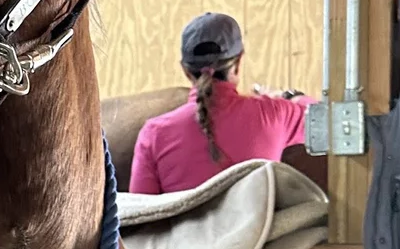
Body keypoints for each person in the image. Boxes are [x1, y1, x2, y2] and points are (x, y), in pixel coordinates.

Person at [128, 10, 310, 194]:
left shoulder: (154, 133)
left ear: (185, 70)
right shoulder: (275, 113)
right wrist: (290, 96)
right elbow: (326, 119)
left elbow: (142, 212)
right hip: (257, 224)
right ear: (238, 63)